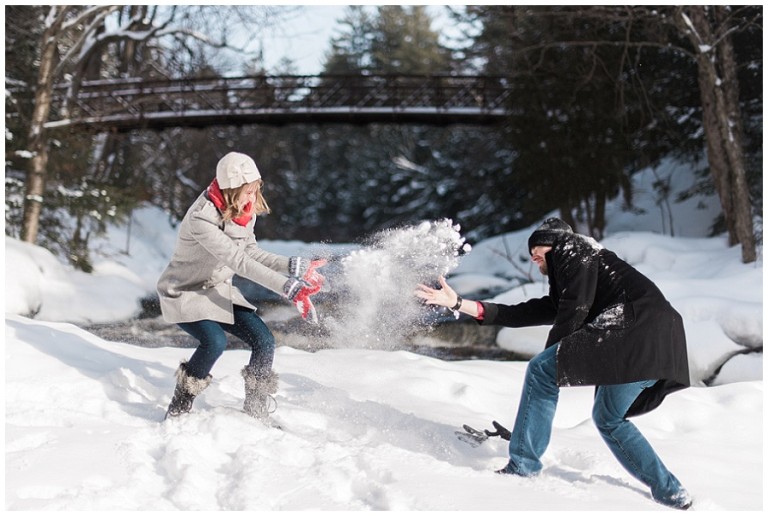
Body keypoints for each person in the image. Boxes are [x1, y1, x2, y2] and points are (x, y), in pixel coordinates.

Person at [416, 217, 693, 510]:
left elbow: (575, 309)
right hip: (660, 338)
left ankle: (523, 467)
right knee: (609, 418)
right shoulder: (580, 274)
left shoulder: (576, 248)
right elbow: (527, 312)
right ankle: (672, 492)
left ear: (556, 243)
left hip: (634, 325)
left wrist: (555, 360)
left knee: (542, 370)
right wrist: (459, 303)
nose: (534, 258)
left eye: (538, 249)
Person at [157, 151, 326, 421]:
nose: (253, 198)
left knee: (264, 340)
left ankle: (256, 409)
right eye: (248, 191)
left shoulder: (244, 211)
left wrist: (294, 266)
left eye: (256, 189)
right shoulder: (201, 218)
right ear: (231, 189)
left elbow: (250, 252)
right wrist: (287, 287)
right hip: (185, 291)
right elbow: (237, 261)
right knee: (214, 342)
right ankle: (179, 407)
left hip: (219, 289)